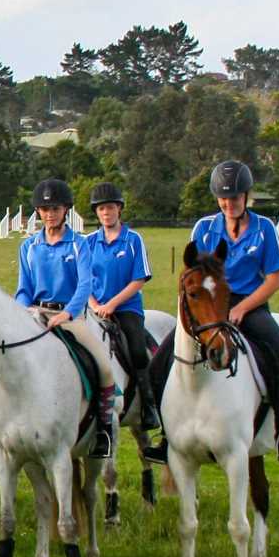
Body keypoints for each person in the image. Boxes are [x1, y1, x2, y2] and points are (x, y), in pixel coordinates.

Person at [148, 160, 279, 464]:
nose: (229, 203)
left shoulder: (264, 228)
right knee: (159, 364)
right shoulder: (204, 228)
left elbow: (274, 279)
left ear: (246, 197)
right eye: (223, 198)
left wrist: (244, 307)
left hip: (249, 303)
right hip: (208, 305)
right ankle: (167, 437)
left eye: (234, 198)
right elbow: (192, 273)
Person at [0, 179, 117, 459]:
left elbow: (84, 285)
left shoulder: (80, 244)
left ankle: (103, 429)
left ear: (66, 210)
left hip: (71, 316)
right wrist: (20, 313)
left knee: (103, 366)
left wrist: (67, 313)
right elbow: (24, 287)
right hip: (35, 313)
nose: (49, 214)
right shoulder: (29, 246)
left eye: (55, 208)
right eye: (44, 209)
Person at [85, 182, 161, 435]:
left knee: (138, 351)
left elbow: (139, 278)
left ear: (119, 209)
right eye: (101, 209)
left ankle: (149, 406)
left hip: (126, 308)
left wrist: (112, 304)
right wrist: (95, 305)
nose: (106, 213)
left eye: (110, 208)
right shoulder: (89, 242)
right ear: (97, 213)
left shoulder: (133, 240)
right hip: (94, 308)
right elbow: (83, 280)